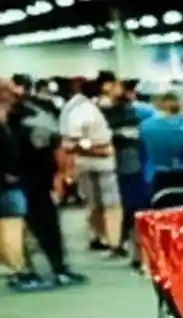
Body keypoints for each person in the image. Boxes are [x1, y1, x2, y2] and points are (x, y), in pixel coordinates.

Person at [11, 75, 84, 285]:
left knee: (45, 226)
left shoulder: (35, 113)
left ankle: (55, 268)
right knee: (17, 230)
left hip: (36, 179)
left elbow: (56, 145)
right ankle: (27, 271)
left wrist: (62, 175)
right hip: (18, 181)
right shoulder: (31, 113)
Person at [61, 71, 125, 258]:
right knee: (111, 204)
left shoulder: (77, 105)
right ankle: (114, 241)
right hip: (98, 161)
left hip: (86, 163)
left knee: (94, 203)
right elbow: (76, 139)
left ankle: (100, 237)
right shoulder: (83, 108)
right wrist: (98, 149)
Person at [0, 82, 48, 291]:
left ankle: (14, 268)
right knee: (12, 227)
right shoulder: (3, 121)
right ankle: (18, 271)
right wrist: (9, 172)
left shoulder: (8, 119)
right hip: (7, 182)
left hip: (9, 179)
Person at [102, 76, 149, 264]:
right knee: (135, 210)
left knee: (132, 209)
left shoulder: (119, 113)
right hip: (137, 167)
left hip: (129, 167)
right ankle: (135, 251)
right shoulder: (141, 112)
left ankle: (134, 251)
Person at [139, 91, 183, 200]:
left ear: (159, 106)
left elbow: (140, 156)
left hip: (157, 184)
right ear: (180, 106)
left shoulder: (145, 127)